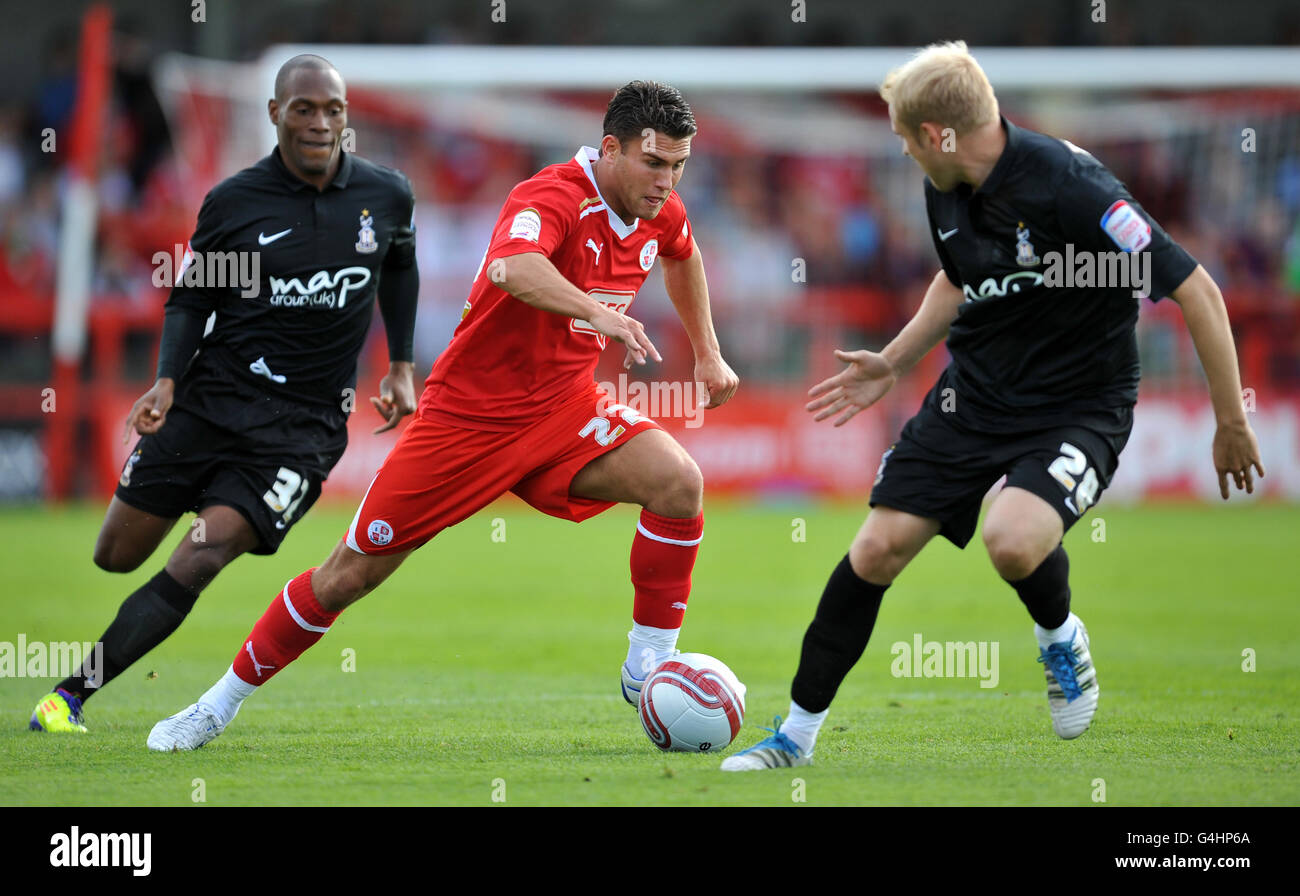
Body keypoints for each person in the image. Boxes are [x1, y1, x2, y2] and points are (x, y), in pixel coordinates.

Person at [146, 80, 740, 751]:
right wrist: (598, 311)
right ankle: (214, 707)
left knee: (680, 484)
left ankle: (648, 665)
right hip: (468, 421)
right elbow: (514, 269)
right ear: (610, 148)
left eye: (679, 165)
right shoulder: (551, 195)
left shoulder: (658, 208)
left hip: (564, 410)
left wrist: (709, 355)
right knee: (348, 575)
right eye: (655, 163)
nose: (667, 181)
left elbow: (683, 254)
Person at [722, 41, 1265, 771]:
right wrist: (895, 360)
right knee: (877, 548)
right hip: (974, 395)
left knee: (1010, 540)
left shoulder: (1073, 185)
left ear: (938, 134)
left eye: (905, 137)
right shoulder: (945, 183)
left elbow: (1197, 289)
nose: (903, 150)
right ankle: (795, 735)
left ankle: (1059, 636)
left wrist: (1231, 422)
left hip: (1081, 402)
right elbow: (958, 278)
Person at [30, 55, 419, 733]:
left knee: (203, 552)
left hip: (300, 431)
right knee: (114, 555)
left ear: (346, 116)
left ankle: (69, 694)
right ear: (275, 115)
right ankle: (197, 488)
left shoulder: (386, 196)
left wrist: (402, 364)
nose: (320, 122)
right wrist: (166, 382)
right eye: (304, 108)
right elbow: (191, 298)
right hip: (211, 398)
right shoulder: (236, 204)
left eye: (332, 109)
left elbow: (401, 266)